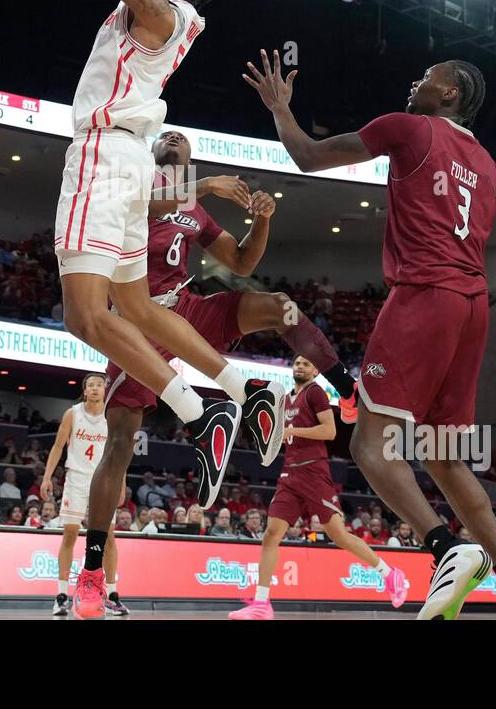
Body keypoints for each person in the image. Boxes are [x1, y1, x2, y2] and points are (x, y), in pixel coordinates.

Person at [56, 0, 284, 621]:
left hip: (104, 153)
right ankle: (233, 385)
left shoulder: (156, 13)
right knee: (139, 308)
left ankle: (199, 407)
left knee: (85, 315)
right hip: (128, 162)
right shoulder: (170, 13)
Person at [245, 48, 496, 620]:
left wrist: (280, 109)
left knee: (369, 446)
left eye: (427, 77)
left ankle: (445, 550)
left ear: (450, 95)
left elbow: (309, 156)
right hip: (472, 305)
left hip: (424, 295)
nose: (416, 81)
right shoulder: (486, 162)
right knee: (444, 456)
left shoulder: (408, 128)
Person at [103, 128, 365, 475]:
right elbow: (142, 206)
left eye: (181, 137)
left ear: (191, 160)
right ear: (149, 150)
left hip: (182, 310)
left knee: (280, 307)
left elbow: (242, 263)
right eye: (166, 135)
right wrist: (207, 183)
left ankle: (348, 391)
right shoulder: (134, 179)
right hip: (136, 318)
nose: (173, 136)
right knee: (121, 438)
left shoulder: (195, 209)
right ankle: (97, 530)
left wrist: (263, 220)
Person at [231, 356, 406, 619]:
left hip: (313, 471)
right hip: (290, 474)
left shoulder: (316, 393)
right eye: (296, 363)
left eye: (305, 364)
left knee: (338, 535)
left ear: (314, 370)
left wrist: (294, 432)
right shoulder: (286, 399)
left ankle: (389, 574)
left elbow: (329, 431)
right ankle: (261, 603)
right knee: (270, 535)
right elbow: (284, 434)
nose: (299, 366)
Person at [41, 375, 126, 617]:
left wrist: (121, 484)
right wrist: (47, 477)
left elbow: (120, 454)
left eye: (100, 385)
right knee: (70, 534)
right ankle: (61, 596)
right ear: (85, 390)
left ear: (105, 389)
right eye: (91, 385)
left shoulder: (112, 416)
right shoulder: (73, 414)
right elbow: (58, 446)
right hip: (76, 477)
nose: (96, 388)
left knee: (109, 536)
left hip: (104, 479)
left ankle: (112, 595)